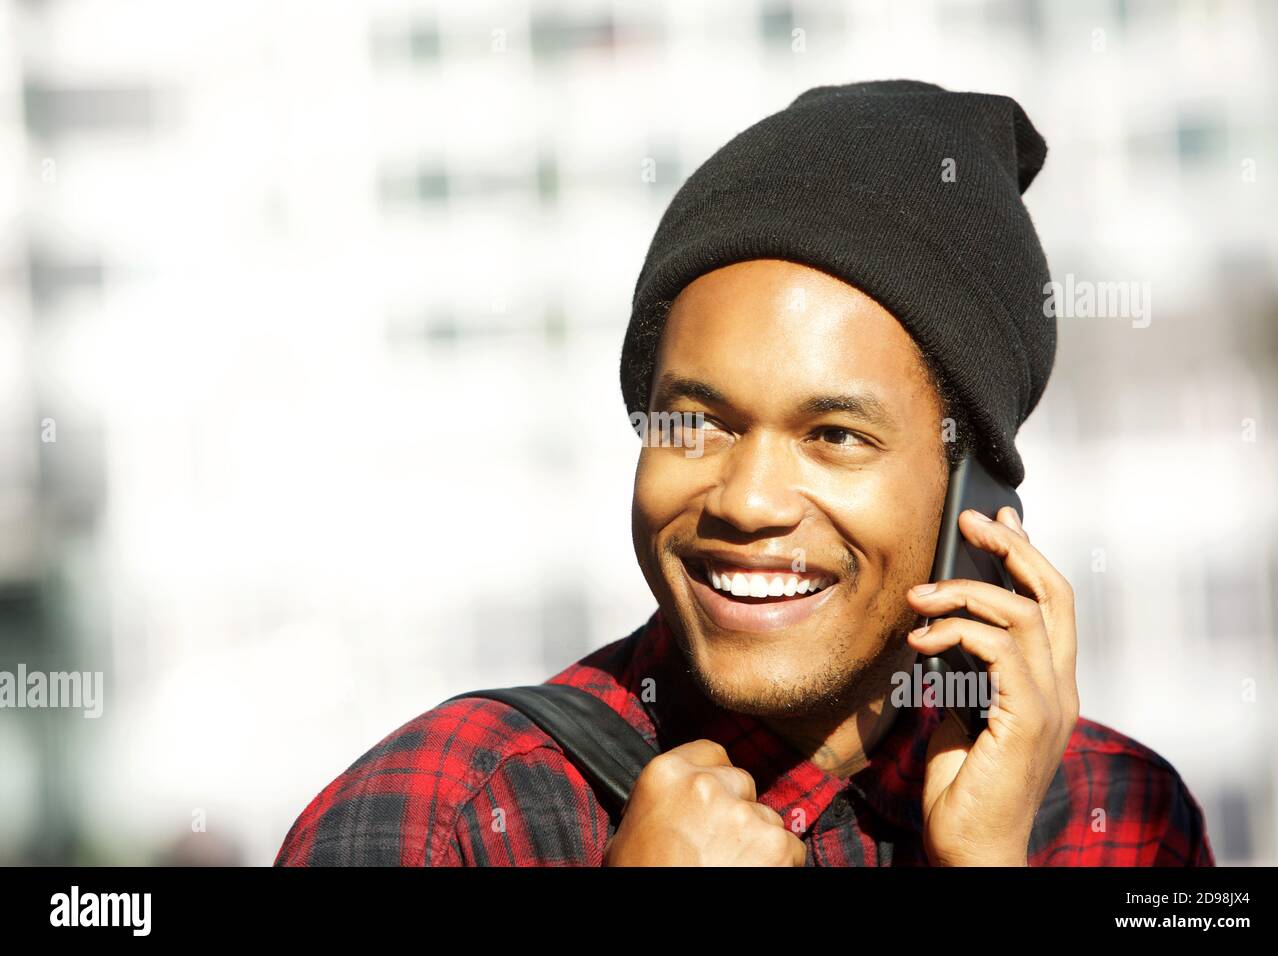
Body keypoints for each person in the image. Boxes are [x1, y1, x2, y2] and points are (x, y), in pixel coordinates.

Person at [274, 79, 1214, 866]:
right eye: (696, 423)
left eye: (836, 435)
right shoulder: (449, 818)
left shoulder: (1117, 819)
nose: (748, 500)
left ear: (974, 498)